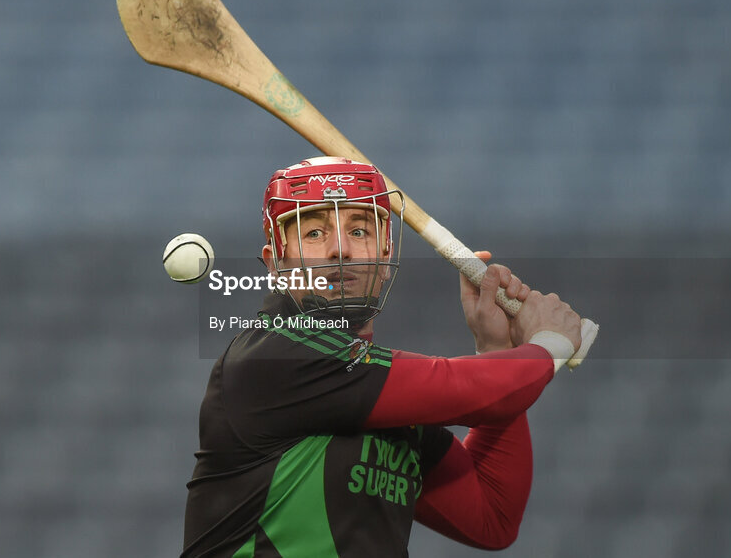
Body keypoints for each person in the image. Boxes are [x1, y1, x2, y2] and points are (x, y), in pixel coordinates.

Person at [181, 157, 583, 557]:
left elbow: (493, 517)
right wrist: (550, 343)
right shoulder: (274, 356)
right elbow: (471, 390)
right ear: (275, 263)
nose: (341, 250)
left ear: (387, 256)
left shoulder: (383, 401)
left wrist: (497, 350)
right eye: (315, 233)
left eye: (359, 230)